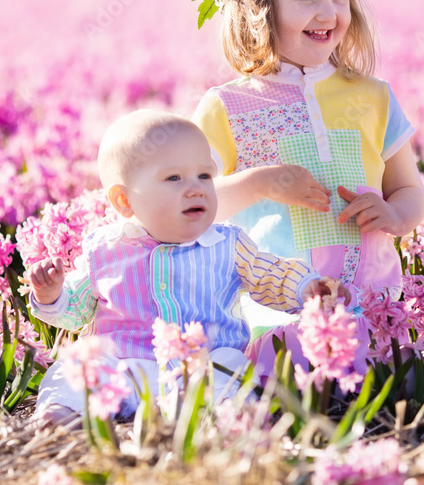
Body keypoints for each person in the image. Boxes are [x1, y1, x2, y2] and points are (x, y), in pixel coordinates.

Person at [186, 0, 424, 374]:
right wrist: (261, 183)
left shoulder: (373, 97)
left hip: (371, 302)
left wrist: (393, 214)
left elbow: (409, 192)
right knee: (283, 371)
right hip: (277, 310)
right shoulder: (226, 107)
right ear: (258, 7)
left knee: (396, 379)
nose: (328, 13)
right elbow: (195, 205)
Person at [28, 110, 347, 426]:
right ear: (124, 201)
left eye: (205, 176)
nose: (196, 188)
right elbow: (74, 311)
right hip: (124, 369)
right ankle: (63, 415)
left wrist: (306, 288)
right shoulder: (105, 249)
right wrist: (51, 294)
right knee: (77, 367)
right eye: (174, 178)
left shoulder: (226, 243)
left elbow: (270, 275)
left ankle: (224, 419)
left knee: (228, 368)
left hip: (201, 366)